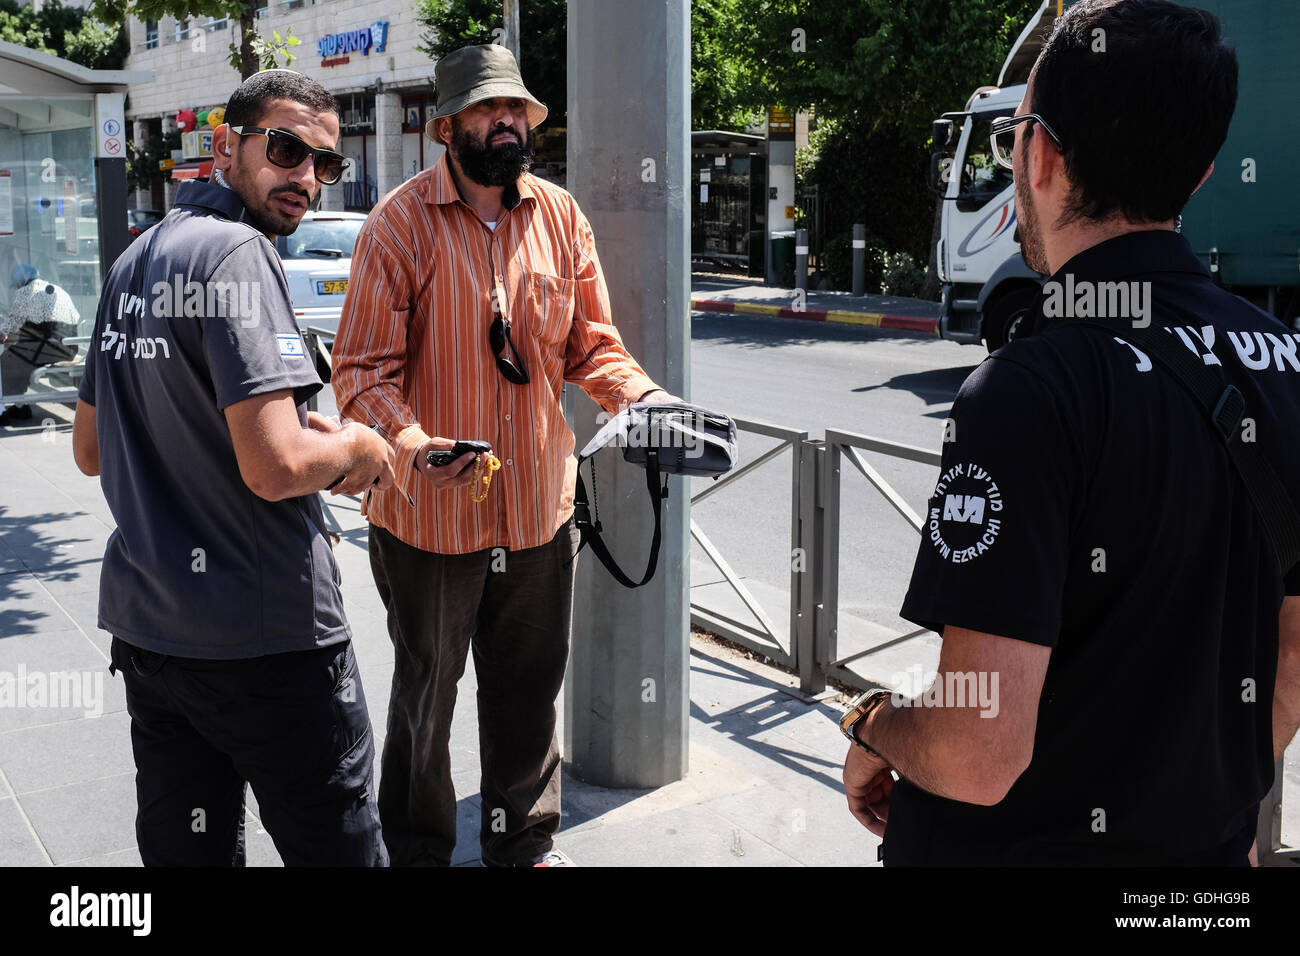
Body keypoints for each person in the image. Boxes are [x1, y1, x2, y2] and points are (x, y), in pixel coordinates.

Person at [841, 0, 1300, 865]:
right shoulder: (1283, 361)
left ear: (1041, 153)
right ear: (1200, 174)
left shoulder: (1028, 389)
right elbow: (1293, 660)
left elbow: (979, 749)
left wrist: (872, 727)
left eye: (1014, 135)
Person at [332, 43, 676, 867]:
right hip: (426, 517)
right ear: (448, 126)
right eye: (489, 110)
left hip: (534, 513)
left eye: (517, 108)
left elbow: (593, 345)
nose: (508, 121)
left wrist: (649, 403)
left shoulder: (561, 216)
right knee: (427, 698)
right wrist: (412, 447)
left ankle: (521, 842)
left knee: (527, 694)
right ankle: (416, 848)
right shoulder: (397, 226)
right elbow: (360, 371)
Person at [72, 69, 395, 866]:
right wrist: (360, 450)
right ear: (225, 145)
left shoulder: (134, 259)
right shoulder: (237, 253)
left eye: (326, 163)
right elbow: (277, 466)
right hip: (267, 639)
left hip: (154, 636)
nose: (307, 179)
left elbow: (89, 449)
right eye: (287, 150)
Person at [0, 265, 80, 426]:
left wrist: (4, 333)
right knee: (17, 355)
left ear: (20, 283)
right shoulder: (55, 289)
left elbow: (12, 325)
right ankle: (20, 405)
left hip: (49, 347)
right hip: (68, 347)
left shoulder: (25, 292)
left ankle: (18, 407)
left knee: (7, 361)